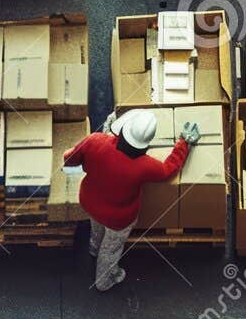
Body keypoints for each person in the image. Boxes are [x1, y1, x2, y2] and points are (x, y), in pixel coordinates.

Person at [62, 109, 195, 292]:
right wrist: (184, 143)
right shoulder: (146, 166)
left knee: (97, 228)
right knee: (111, 249)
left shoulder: (95, 140)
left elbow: (69, 158)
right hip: (119, 218)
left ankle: (93, 249)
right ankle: (104, 281)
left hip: (90, 201)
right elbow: (168, 169)